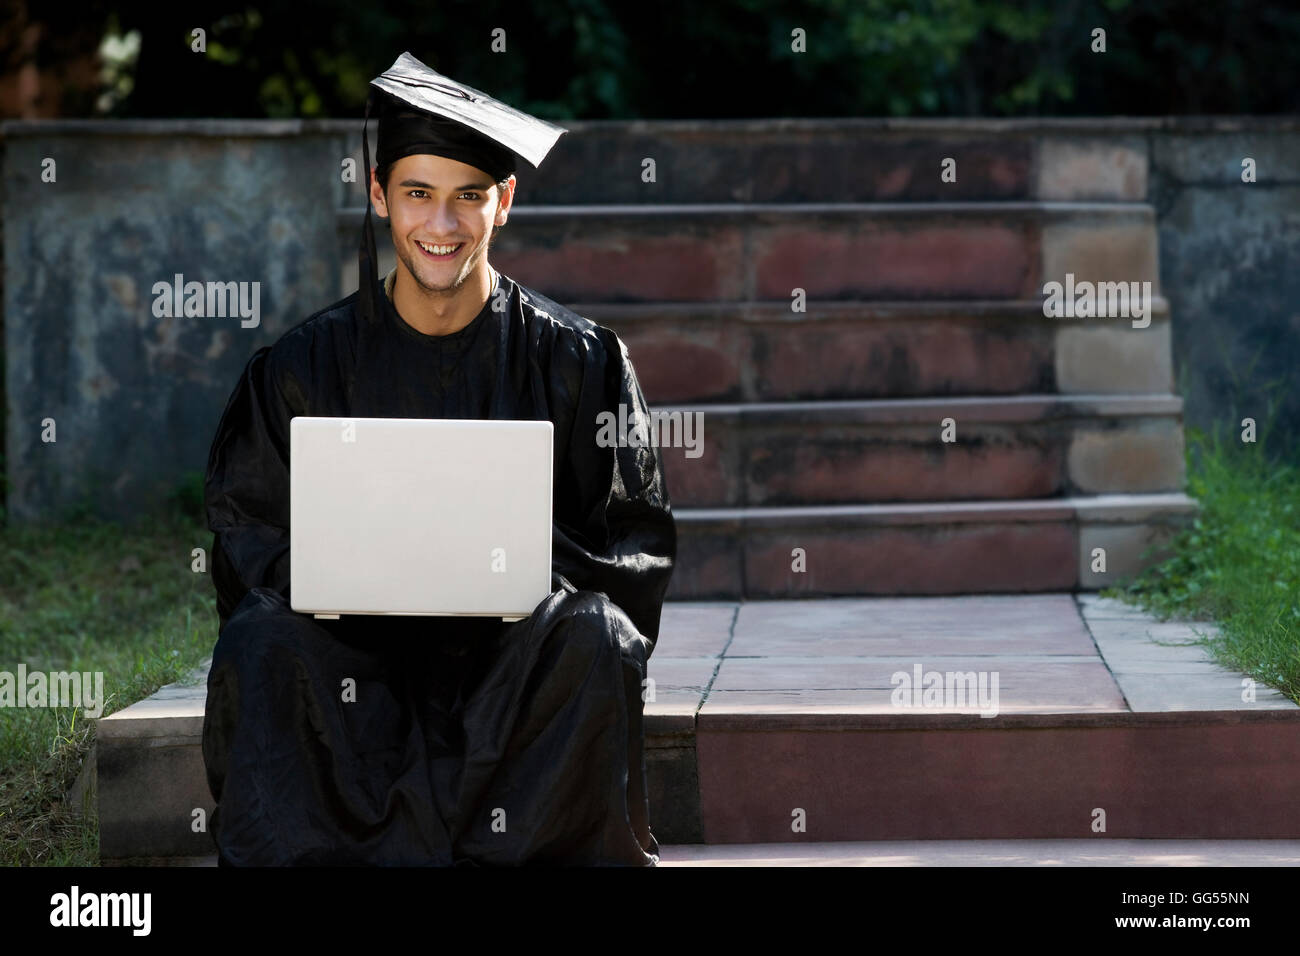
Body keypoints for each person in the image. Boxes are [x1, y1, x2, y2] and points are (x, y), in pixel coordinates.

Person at [200, 52, 676, 866]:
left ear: (505, 202)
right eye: (418, 193)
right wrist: (357, 573)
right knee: (260, 642)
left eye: (469, 196)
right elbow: (248, 538)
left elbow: (631, 546)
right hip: (353, 662)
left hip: (514, 668)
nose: (442, 226)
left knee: (596, 636)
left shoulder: (579, 362)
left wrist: (504, 561)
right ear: (380, 194)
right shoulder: (302, 368)